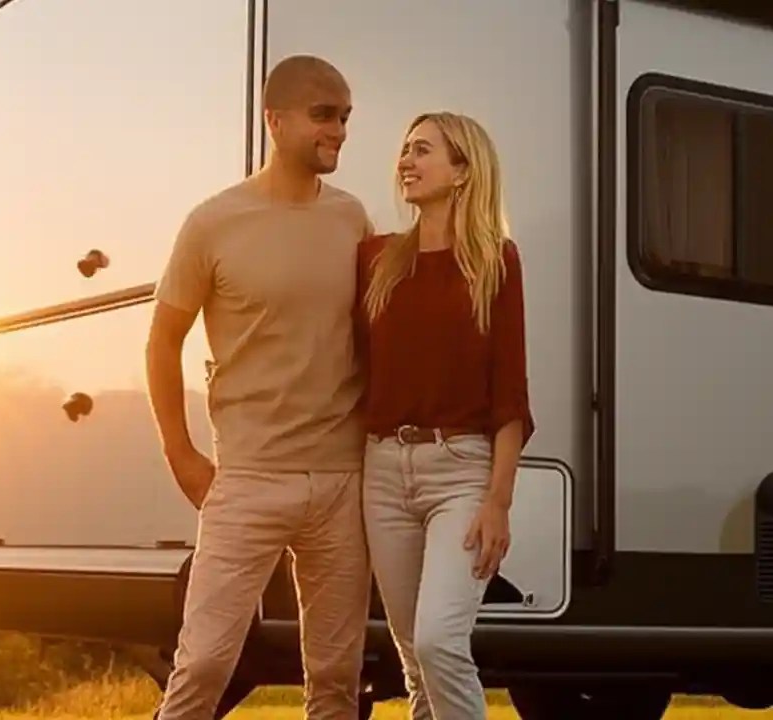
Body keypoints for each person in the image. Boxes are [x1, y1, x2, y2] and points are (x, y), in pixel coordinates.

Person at [145, 54, 374, 720]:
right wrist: (180, 453)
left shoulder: (352, 219)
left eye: (345, 117)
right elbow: (162, 340)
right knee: (206, 663)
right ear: (275, 120)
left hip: (339, 480)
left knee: (335, 677)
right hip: (247, 477)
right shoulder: (214, 222)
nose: (338, 130)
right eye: (323, 114)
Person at [353, 111, 535, 719]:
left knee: (438, 640)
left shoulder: (496, 263)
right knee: (413, 656)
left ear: (462, 171)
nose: (405, 160)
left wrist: (498, 501)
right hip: (381, 470)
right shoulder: (376, 259)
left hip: (461, 470)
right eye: (405, 149)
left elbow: (511, 394)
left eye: (423, 150)